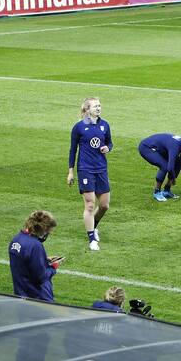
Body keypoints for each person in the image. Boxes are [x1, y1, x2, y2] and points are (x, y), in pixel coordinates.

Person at [7, 209, 61, 361]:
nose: (49, 234)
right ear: (43, 228)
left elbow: (27, 266)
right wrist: (53, 267)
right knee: (38, 348)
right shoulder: (36, 246)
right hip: (39, 302)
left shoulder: (16, 241)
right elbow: (40, 276)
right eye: (49, 230)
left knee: (24, 346)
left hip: (21, 300)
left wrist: (43, 262)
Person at [67, 97, 112, 251]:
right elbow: (73, 150)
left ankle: (94, 226)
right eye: (95, 106)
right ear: (87, 109)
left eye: (99, 105)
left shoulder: (104, 125)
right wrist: (71, 172)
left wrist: (108, 148)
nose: (98, 108)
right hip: (85, 169)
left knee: (105, 205)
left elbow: (109, 142)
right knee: (90, 204)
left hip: (101, 169)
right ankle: (92, 239)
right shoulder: (79, 127)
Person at [138, 133, 181, 201]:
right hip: (147, 148)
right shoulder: (175, 147)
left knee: (178, 163)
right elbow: (170, 168)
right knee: (164, 166)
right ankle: (157, 192)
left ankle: (166, 191)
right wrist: (174, 179)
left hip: (160, 148)